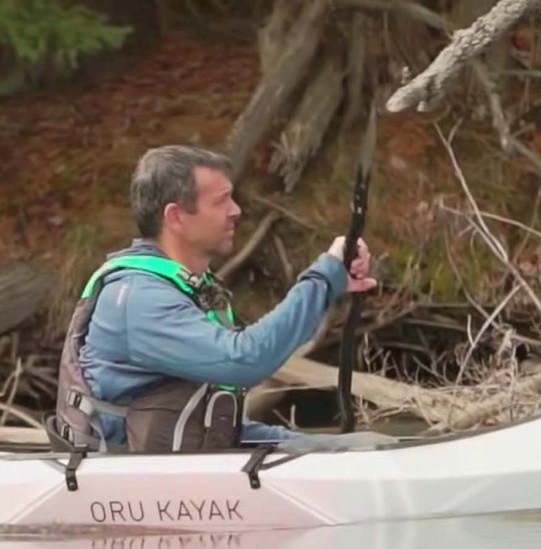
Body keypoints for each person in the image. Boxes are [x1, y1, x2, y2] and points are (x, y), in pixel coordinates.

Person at [51, 145, 376, 453]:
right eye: (222, 201)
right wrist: (323, 278)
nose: (236, 211)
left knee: (367, 446)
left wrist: (325, 449)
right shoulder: (138, 299)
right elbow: (245, 361)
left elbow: (218, 430)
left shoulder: (192, 288)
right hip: (127, 491)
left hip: (182, 482)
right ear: (176, 216)